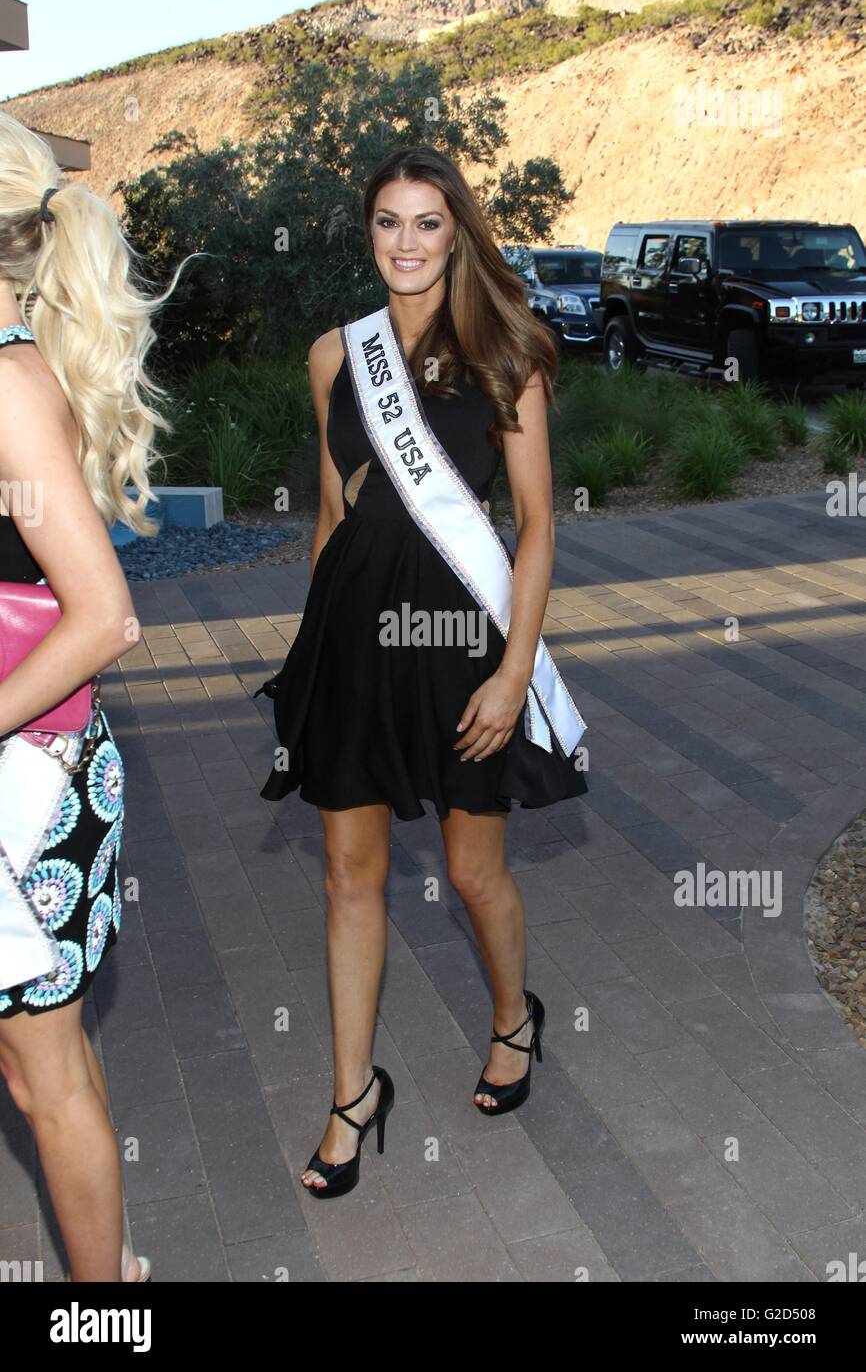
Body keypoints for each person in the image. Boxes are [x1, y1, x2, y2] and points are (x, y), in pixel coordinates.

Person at [259, 145, 589, 1199]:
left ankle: (512, 1017)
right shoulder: (332, 355)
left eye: (426, 224)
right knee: (347, 878)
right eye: (387, 224)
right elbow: (330, 512)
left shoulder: (508, 353)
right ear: (369, 234)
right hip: (353, 641)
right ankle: (352, 1094)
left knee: (473, 872)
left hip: (460, 646)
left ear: (457, 232)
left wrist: (512, 671)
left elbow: (535, 526)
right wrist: (310, 659)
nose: (404, 243)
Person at [0, 112, 183, 1280]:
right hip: (40, 764)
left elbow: (106, 613)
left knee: (44, 1072)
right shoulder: (19, 369)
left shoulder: (8, 385)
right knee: (40, 1063)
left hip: (28, 777)